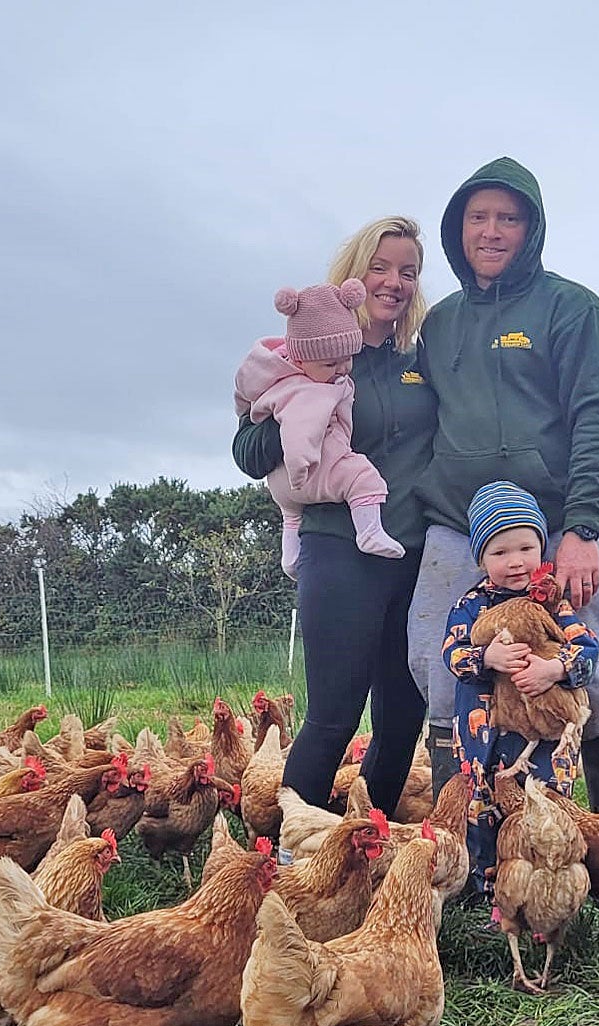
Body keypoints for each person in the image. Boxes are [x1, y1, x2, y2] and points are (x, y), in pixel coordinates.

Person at [407, 157, 599, 813]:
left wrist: (584, 527)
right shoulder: (441, 323)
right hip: (458, 529)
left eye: (507, 218)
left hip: (557, 527)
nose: (490, 231)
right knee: (441, 666)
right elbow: (411, 422)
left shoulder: (573, 309)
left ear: (531, 228)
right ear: (458, 229)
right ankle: (463, 842)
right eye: (477, 217)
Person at [233, 217, 439, 815]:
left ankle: (353, 848)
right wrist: (299, 409)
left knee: (403, 717)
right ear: (353, 275)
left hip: (413, 555)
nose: (394, 282)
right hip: (339, 550)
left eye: (408, 271)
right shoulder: (307, 353)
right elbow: (246, 453)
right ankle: (285, 856)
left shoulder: (421, 361)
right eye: (380, 267)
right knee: (334, 715)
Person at [443, 481, 599, 900]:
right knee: (482, 810)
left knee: (543, 809)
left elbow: (586, 650)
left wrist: (554, 669)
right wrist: (486, 659)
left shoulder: (553, 605)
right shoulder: (470, 605)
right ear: (481, 559)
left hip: (545, 739)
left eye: (526, 548)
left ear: (541, 550)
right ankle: (485, 892)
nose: (515, 562)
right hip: (484, 740)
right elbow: (452, 654)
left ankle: (546, 892)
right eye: (499, 552)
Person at [234, 279, 406, 578]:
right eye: (330, 364)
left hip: (283, 489)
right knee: (362, 476)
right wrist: (300, 468)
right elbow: (300, 434)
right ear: (301, 359)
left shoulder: (284, 376)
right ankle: (369, 532)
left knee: (291, 515)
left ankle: (289, 556)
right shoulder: (309, 391)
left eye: (347, 360)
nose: (341, 369)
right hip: (310, 478)